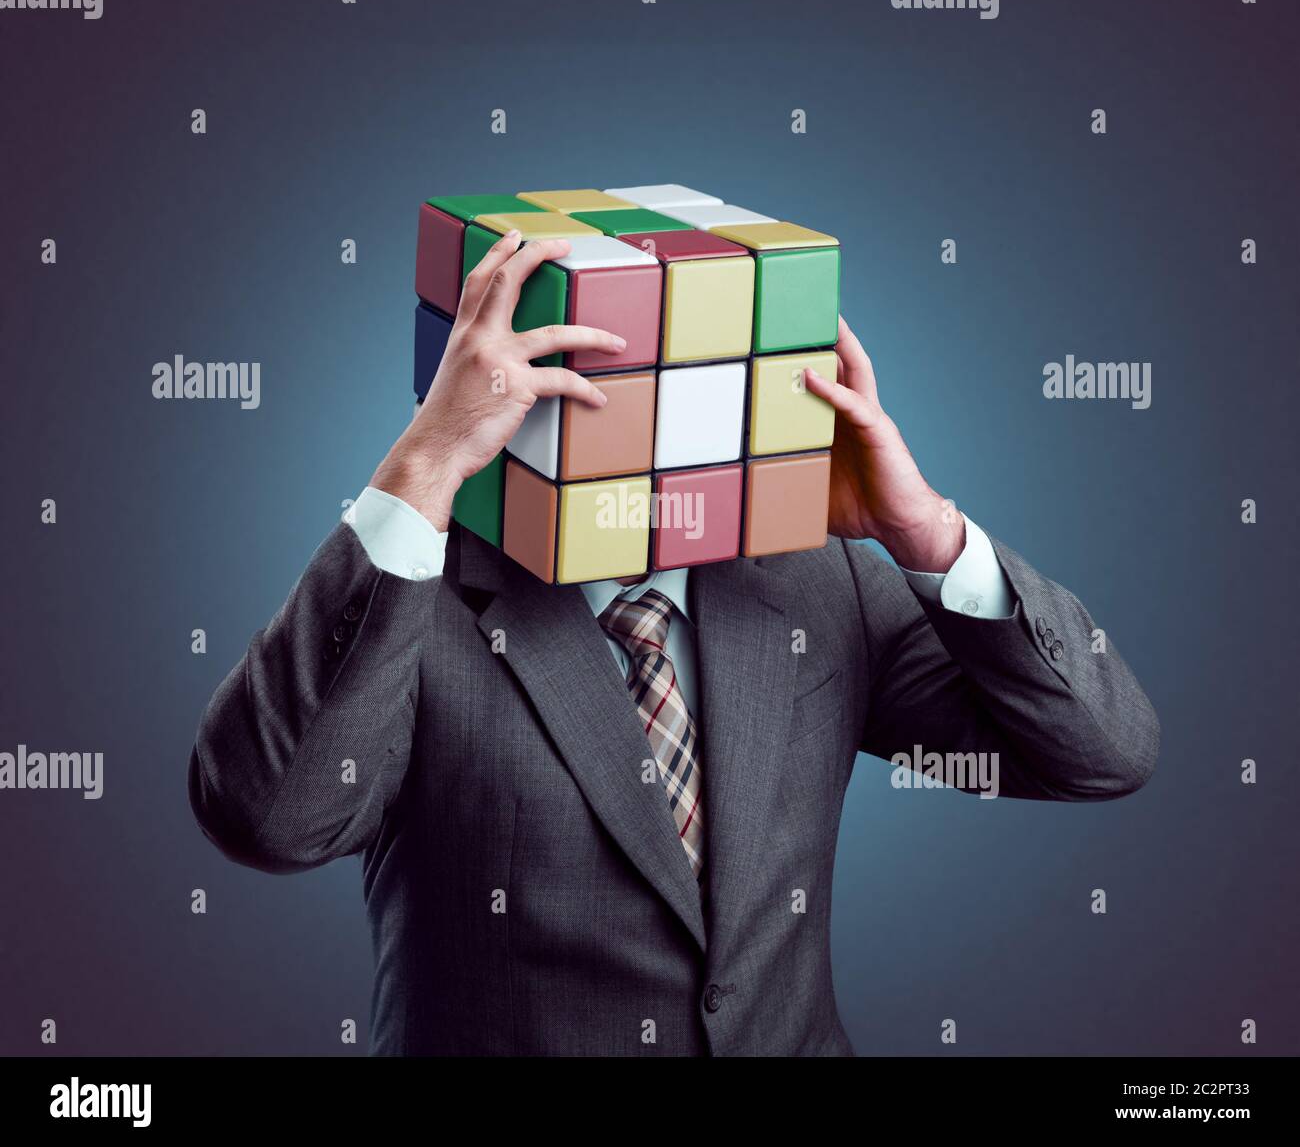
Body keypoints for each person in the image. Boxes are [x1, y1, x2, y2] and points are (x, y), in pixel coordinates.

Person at [189, 229, 1159, 1055]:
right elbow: (269, 819)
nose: (667, 418)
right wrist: (426, 461)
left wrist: (924, 532)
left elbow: (1100, 754)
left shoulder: (824, 578)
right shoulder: (411, 601)